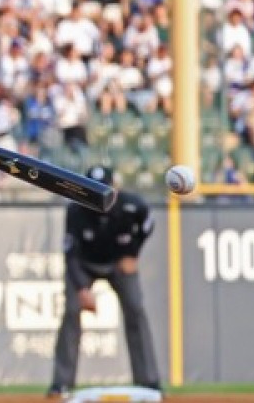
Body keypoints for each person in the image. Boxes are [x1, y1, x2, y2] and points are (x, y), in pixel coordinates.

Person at [48, 166, 161, 399]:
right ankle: (61, 384)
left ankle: (148, 382)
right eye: (91, 190)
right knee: (71, 311)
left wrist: (133, 253)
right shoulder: (76, 210)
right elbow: (70, 252)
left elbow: (148, 224)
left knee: (135, 309)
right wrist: (81, 287)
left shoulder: (132, 206)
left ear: (114, 188)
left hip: (119, 263)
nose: (97, 195)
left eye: (102, 189)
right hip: (85, 264)